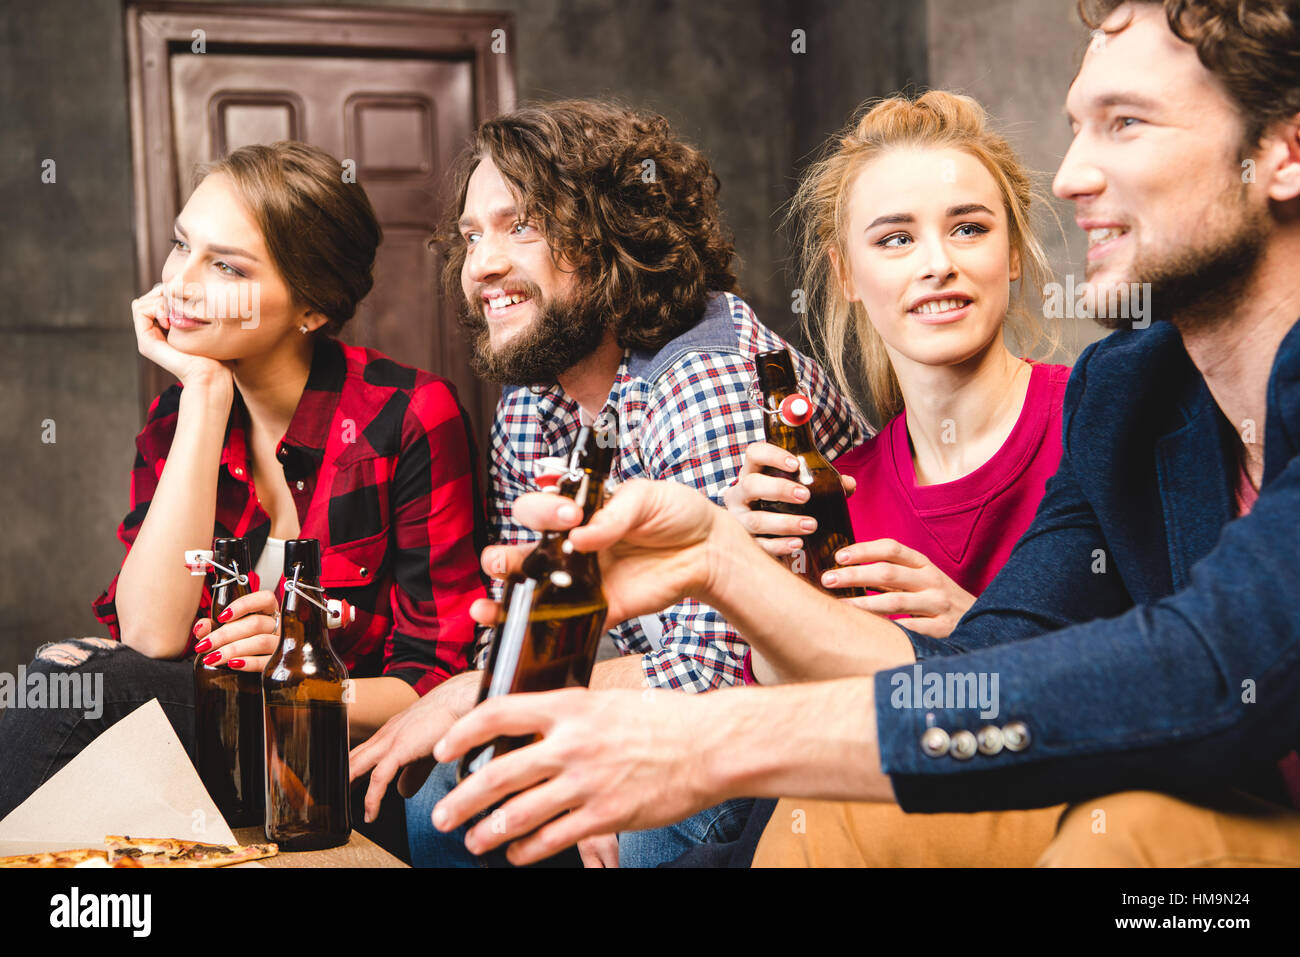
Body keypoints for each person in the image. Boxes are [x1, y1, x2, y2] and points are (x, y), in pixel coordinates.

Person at [425, 0, 1300, 867]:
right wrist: (719, 558)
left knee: (1142, 837)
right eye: (1078, 127)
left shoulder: (1070, 400)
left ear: (1284, 151)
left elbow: (1209, 668)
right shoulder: (1126, 393)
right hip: (1181, 790)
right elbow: (978, 665)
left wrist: (707, 739)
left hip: (1206, 814)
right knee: (836, 820)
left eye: (1126, 123)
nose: (1071, 173)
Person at [348, 99, 867, 867]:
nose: (482, 264)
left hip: (801, 716)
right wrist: (513, 693)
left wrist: (495, 688)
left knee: (651, 830)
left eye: (521, 224)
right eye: (471, 236)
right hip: (659, 694)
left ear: (612, 235)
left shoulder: (705, 376)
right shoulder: (533, 403)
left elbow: (713, 676)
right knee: (448, 799)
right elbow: (539, 617)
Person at [0, 142, 488, 856]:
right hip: (213, 744)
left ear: (313, 306)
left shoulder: (408, 415)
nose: (180, 285)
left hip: (339, 765)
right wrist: (203, 397)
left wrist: (298, 675)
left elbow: (435, 682)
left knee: (80, 688)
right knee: (64, 674)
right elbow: (152, 635)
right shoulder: (177, 418)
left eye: (226, 266)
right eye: (181, 246)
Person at [704, 89, 1070, 866]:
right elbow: (794, 712)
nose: (938, 263)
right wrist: (758, 583)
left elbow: (1169, 664)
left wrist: (977, 633)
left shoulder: (1096, 422)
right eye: (895, 239)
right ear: (844, 273)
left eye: (968, 228)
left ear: (1011, 252)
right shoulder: (839, 489)